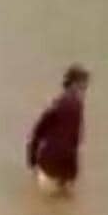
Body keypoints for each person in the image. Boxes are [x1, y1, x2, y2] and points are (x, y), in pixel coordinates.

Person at [27, 65, 90, 197]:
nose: (84, 89)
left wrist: (32, 160)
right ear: (74, 84)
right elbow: (74, 141)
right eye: (83, 85)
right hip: (60, 167)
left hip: (52, 165)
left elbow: (37, 132)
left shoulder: (61, 103)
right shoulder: (71, 104)